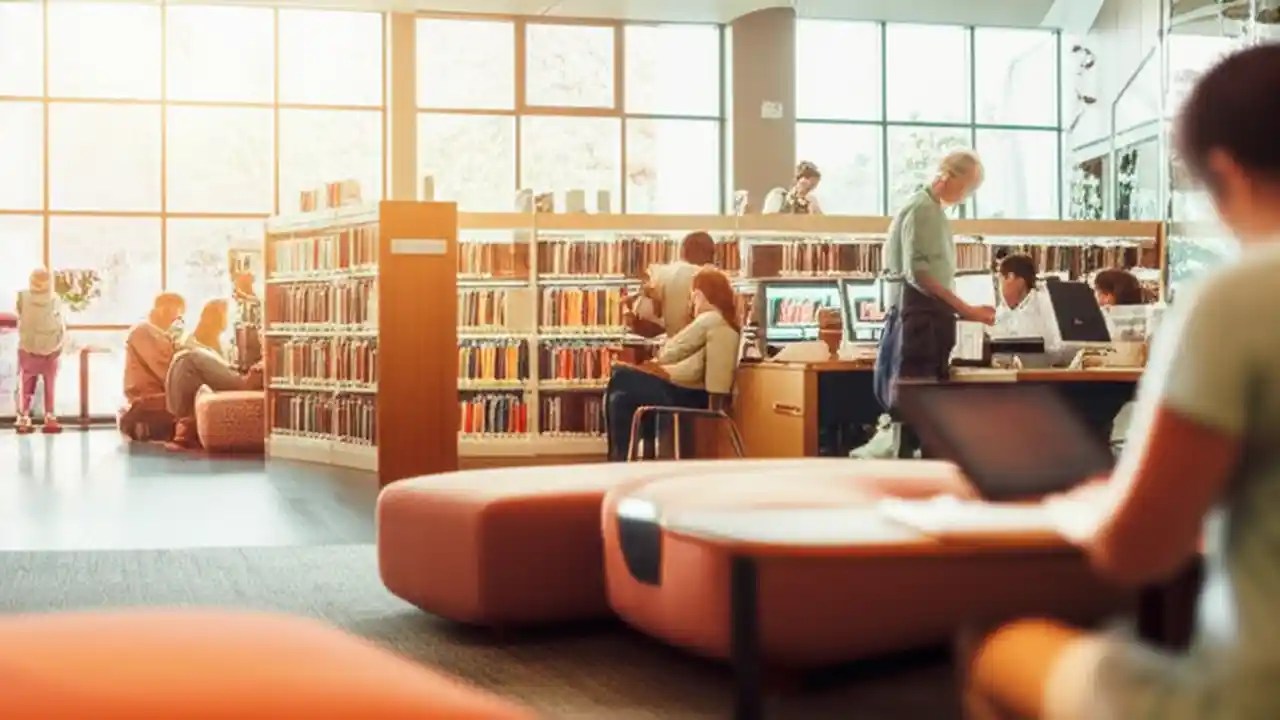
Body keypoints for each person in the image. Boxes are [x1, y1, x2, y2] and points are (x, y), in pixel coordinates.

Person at [964, 44, 1280, 720]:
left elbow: (1139, 550)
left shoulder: (1239, 297)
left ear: (1223, 171)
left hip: (1251, 693)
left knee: (1003, 649)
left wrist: (1089, 512)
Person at [854, 150, 994, 459]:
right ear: (949, 177)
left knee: (915, 412)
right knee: (919, 413)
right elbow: (920, 274)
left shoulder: (923, 208)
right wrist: (968, 310)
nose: (965, 196)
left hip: (919, 319)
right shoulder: (924, 211)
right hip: (923, 321)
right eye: (967, 187)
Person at [605, 267, 741, 461]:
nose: (691, 302)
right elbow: (694, 367)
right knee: (620, 395)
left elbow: (668, 353)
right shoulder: (725, 323)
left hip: (686, 395)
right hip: (695, 393)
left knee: (620, 378)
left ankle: (618, 459)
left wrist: (661, 369)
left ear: (700, 294)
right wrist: (661, 371)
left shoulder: (708, 319)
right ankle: (626, 457)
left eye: (692, 296)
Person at [165, 299, 263, 449]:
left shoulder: (226, 343)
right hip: (220, 377)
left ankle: (183, 425)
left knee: (186, 359)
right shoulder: (197, 340)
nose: (227, 320)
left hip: (233, 377)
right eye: (224, 315)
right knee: (185, 360)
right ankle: (185, 424)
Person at [622, 230, 717, 339]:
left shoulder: (664, 275)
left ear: (683, 251)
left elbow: (646, 317)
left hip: (679, 346)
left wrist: (631, 306)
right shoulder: (720, 281)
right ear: (712, 254)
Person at [120, 293, 185, 441]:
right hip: (147, 396)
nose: (176, 319)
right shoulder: (143, 331)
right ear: (163, 309)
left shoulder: (160, 334)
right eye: (176, 314)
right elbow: (165, 370)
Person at [14, 268, 66, 434]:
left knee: (26, 385)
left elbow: (19, 315)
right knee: (50, 385)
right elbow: (61, 322)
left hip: (28, 348)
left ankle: (24, 416)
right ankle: (49, 416)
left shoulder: (22, 297)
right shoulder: (55, 299)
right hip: (51, 349)